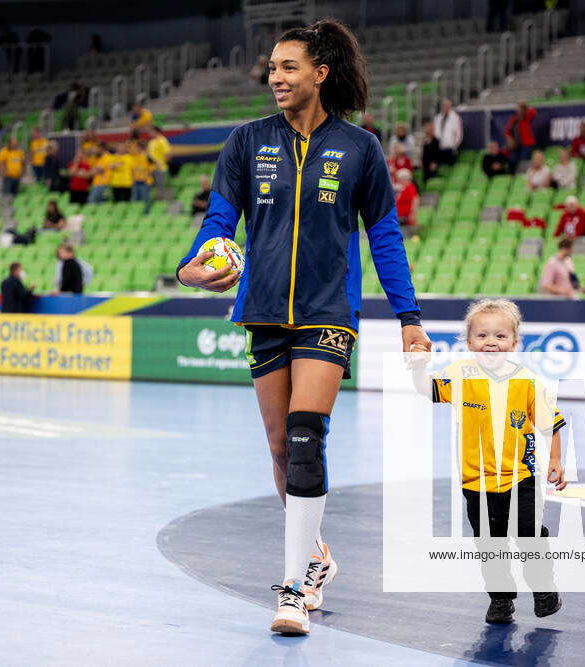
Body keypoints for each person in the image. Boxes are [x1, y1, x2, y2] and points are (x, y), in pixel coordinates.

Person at [175, 18, 430, 636]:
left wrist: (409, 317)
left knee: (305, 436)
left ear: (320, 73)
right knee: (279, 449)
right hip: (262, 310)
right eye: (272, 67)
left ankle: (292, 591)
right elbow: (218, 222)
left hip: (327, 311)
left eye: (288, 67)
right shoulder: (246, 141)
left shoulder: (361, 148)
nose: (276, 77)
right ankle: (316, 556)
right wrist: (193, 269)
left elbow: (385, 236)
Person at [413, 300, 566, 620]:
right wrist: (417, 367)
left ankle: (543, 588)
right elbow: (428, 390)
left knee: (528, 535)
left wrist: (555, 459)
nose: (491, 342)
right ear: (469, 342)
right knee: (489, 544)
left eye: (500, 336)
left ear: (514, 342)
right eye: (482, 336)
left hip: (521, 479)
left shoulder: (527, 381)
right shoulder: (460, 374)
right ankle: (500, 599)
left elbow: (550, 423)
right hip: (476, 482)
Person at [433, 98, 463, 167]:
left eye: (447, 105)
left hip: (450, 147)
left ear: (450, 106)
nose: (445, 107)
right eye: (444, 105)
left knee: (450, 167)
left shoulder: (455, 117)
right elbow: (435, 131)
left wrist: (454, 145)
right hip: (439, 147)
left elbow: (459, 134)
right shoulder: (437, 118)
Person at [394, 167, 419, 237]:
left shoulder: (410, 187)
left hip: (407, 217)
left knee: (407, 235)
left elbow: (415, 200)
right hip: (398, 216)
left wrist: (412, 213)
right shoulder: (397, 188)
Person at [129, 140, 153, 212]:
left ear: (141, 148)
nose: (135, 149)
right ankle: (134, 212)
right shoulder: (134, 157)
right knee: (134, 199)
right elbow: (132, 169)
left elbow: (152, 167)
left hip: (145, 182)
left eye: (137, 147)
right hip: (136, 181)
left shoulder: (147, 156)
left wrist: (147, 175)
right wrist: (133, 179)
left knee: (145, 199)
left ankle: (146, 213)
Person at [147, 125, 172, 190]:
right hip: (151, 169)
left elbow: (168, 154)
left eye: (150, 131)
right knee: (153, 189)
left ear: (155, 131)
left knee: (161, 187)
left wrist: (162, 164)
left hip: (160, 168)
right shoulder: (151, 142)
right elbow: (149, 155)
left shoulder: (162, 140)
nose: (149, 133)